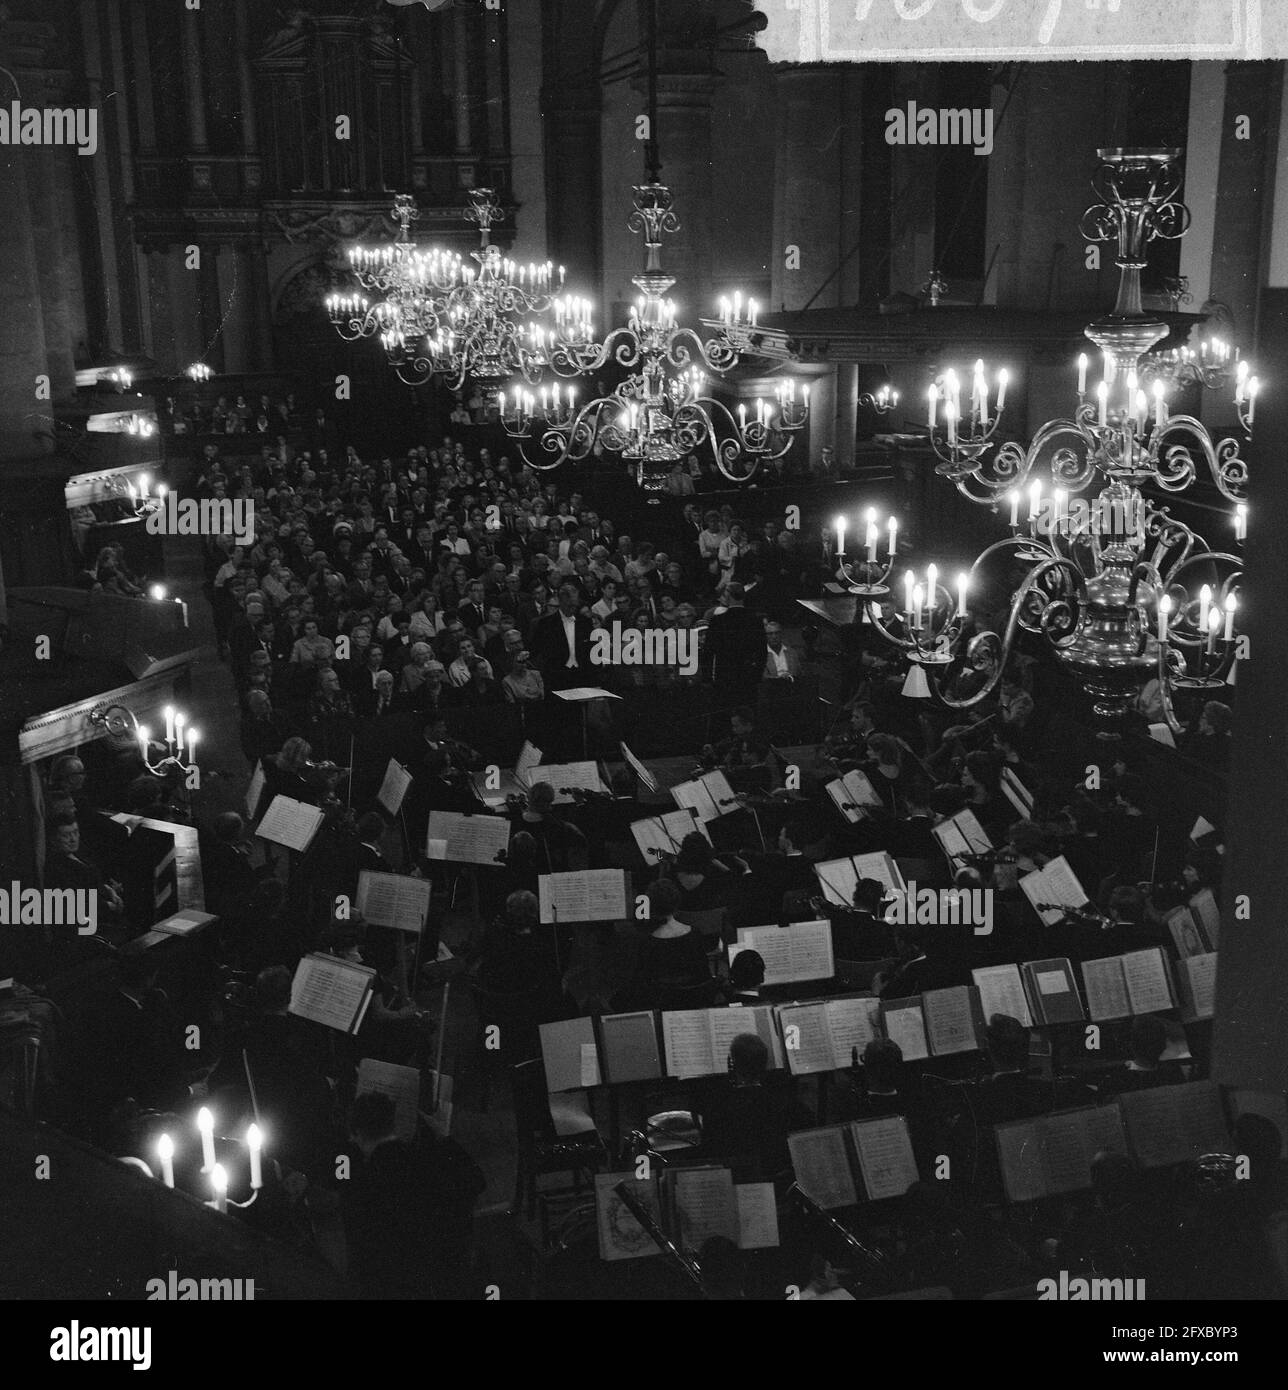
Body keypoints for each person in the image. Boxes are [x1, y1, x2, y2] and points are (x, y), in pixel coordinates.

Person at [344, 1091, 487, 1299]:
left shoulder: (360, 1185)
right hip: (446, 1274)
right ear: (393, 1123)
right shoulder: (428, 1159)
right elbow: (477, 1180)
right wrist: (444, 1137)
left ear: (356, 1133)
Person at [703, 583, 766, 712]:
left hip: (724, 678)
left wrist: (707, 679)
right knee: (747, 715)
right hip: (748, 677)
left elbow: (708, 652)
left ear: (728, 596)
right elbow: (762, 652)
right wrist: (757, 676)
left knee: (725, 716)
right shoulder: (755, 620)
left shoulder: (718, 621)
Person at [528, 580, 593, 691]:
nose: (573, 609)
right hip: (556, 679)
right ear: (561, 602)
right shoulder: (545, 624)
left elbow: (589, 649)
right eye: (569, 605)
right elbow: (536, 651)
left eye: (575, 605)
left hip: (581, 678)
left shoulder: (585, 622)